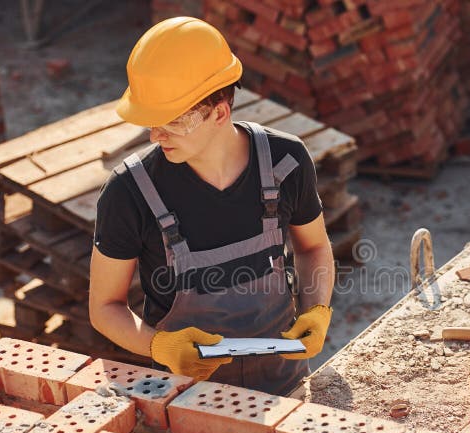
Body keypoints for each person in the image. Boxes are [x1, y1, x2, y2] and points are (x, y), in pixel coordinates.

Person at [88, 16, 335, 396]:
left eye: (172, 122)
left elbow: (314, 246)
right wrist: (160, 346)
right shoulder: (129, 192)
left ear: (219, 112)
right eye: (151, 121)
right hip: (183, 400)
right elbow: (104, 307)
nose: (155, 135)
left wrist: (316, 310)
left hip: (286, 392)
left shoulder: (286, 163)